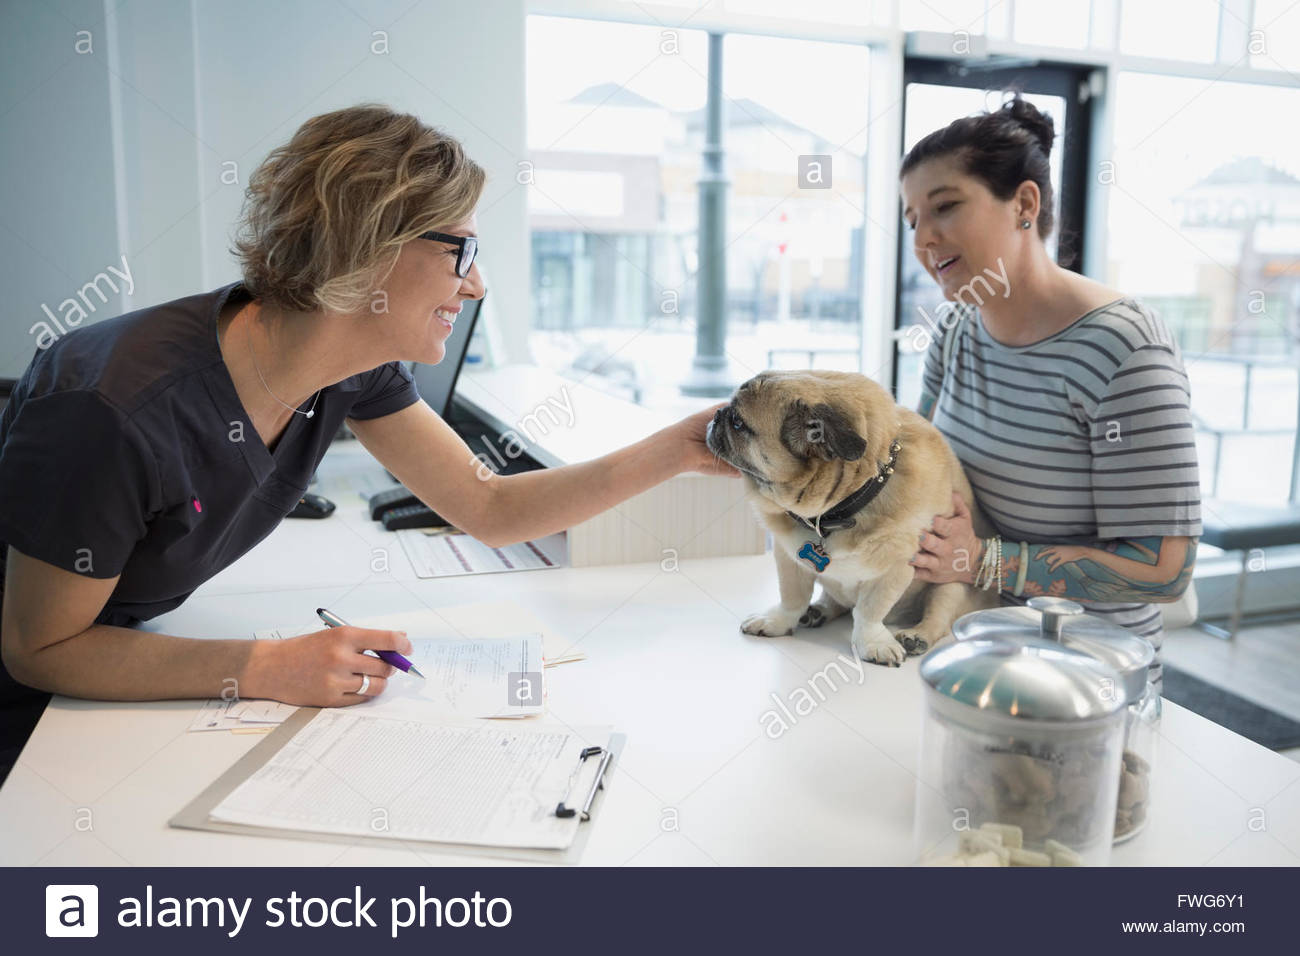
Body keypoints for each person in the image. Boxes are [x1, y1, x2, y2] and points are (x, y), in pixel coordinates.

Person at [0, 104, 736, 771]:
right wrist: (261, 666)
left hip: (118, 669)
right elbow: (40, 649)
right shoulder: (113, 406)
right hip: (35, 719)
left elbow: (488, 506)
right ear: (369, 245)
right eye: (462, 254)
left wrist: (675, 450)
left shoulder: (352, 368)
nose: (475, 286)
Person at [901, 95, 1201, 689]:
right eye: (912, 220)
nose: (924, 239)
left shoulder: (1124, 353)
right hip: (974, 643)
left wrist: (983, 559)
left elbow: (1166, 573)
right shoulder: (956, 332)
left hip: (1091, 681)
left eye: (946, 207)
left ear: (1025, 205)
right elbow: (924, 475)